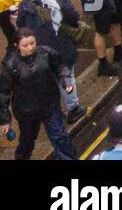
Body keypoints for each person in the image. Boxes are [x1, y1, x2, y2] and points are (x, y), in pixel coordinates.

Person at [0, 29, 76, 160]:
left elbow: (60, 66)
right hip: (26, 112)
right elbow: (3, 93)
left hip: (50, 105)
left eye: (32, 43)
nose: (30, 47)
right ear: (17, 45)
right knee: (27, 142)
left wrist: (66, 80)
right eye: (25, 45)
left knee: (60, 137)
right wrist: (5, 120)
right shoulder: (11, 65)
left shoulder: (46, 53)